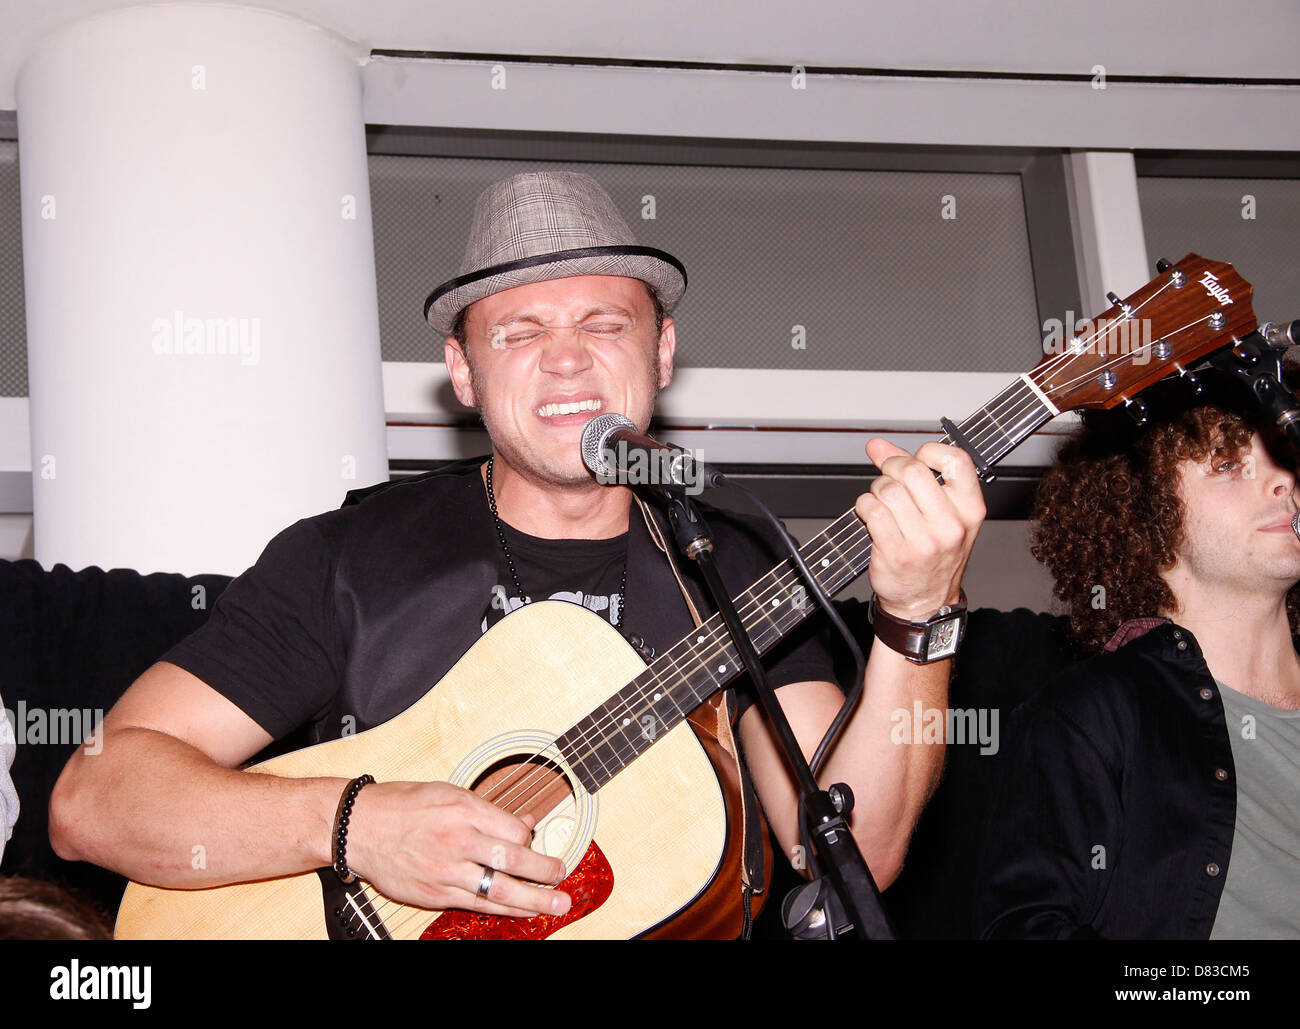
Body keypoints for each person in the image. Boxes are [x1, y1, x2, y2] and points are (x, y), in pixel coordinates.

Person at [49, 171, 985, 935]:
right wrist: (354, 825)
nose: (568, 359)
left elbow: (850, 848)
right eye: (521, 332)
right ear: (463, 371)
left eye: (604, 325)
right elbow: (93, 796)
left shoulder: (727, 560)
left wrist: (916, 620)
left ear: (661, 352)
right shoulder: (350, 559)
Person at [977, 375, 1300, 939]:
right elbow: (1023, 925)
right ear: (1147, 516)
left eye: (1284, 457)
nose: (1282, 481)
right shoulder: (1087, 716)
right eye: (1227, 464)